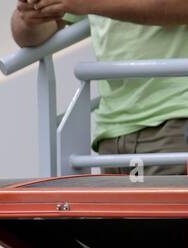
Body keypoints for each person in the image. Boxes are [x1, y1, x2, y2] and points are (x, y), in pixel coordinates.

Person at [11, 0, 188, 175]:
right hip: (111, 131)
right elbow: (30, 33)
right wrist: (29, 16)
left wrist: (88, 4)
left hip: (176, 123)